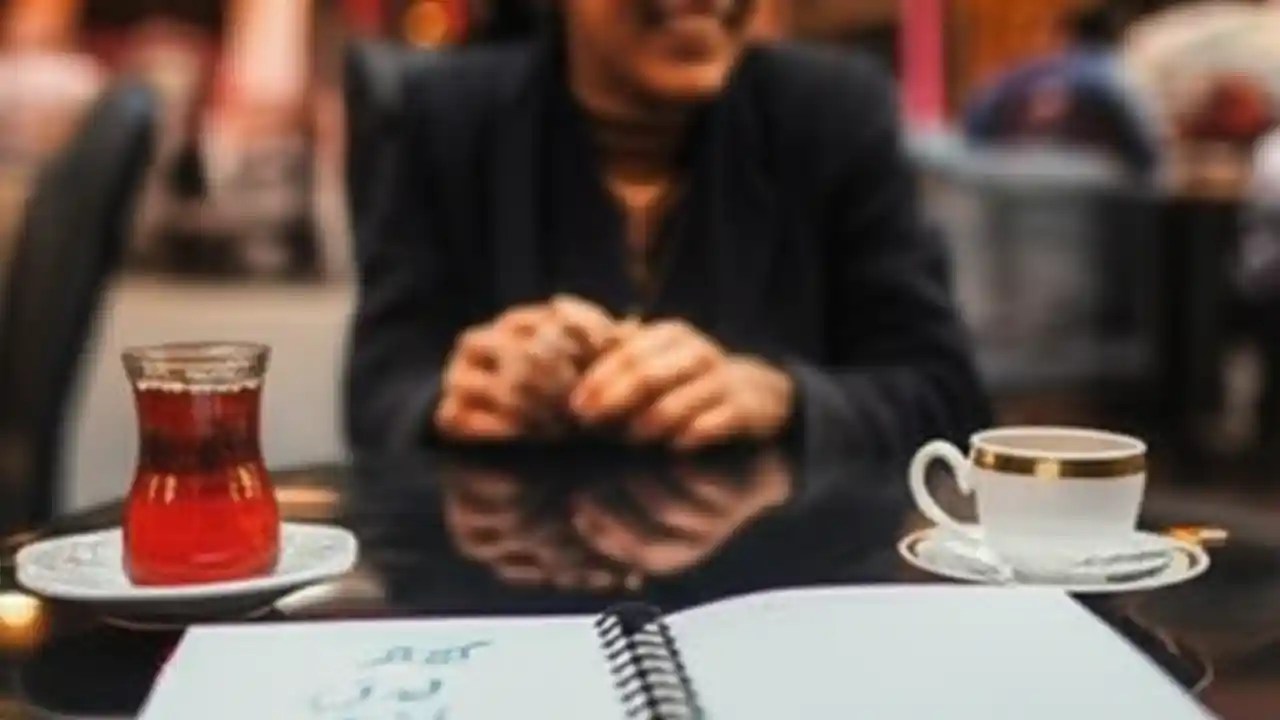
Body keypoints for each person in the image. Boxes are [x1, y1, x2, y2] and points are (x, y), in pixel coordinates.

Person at [346, 0, 989, 455]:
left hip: (779, 600)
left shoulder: (836, 114)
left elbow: (945, 396)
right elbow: (379, 393)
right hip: (514, 601)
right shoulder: (447, 119)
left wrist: (782, 398)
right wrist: (456, 398)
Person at [963, 7, 1160, 178]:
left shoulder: (1021, 74)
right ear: (1116, 36)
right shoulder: (1113, 76)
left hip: (1015, 192)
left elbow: (974, 130)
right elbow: (1147, 152)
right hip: (1091, 198)